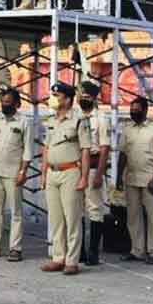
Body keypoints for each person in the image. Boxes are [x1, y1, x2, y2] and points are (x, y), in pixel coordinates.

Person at [40, 82, 90, 275]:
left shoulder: (78, 121)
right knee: (56, 218)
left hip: (71, 172)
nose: (54, 98)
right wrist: (44, 173)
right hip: (53, 172)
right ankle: (58, 257)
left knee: (72, 217)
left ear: (68, 100)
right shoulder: (51, 120)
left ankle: (72, 260)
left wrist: (84, 177)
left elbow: (85, 150)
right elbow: (46, 148)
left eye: (57, 95)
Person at [0, 89, 33, 262]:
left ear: (17, 104)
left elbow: (28, 151)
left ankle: (15, 249)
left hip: (13, 174)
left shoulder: (24, 122)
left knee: (16, 212)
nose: (5, 104)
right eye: (3, 101)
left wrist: (22, 172)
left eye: (9, 101)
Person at [116, 96, 153, 264]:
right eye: (132, 110)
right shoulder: (127, 130)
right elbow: (122, 155)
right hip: (131, 178)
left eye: (137, 109)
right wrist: (118, 177)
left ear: (145, 110)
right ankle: (137, 250)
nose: (133, 112)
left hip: (148, 179)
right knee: (133, 216)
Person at [77, 80, 110, 265]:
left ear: (94, 99)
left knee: (95, 210)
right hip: (77, 168)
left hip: (93, 167)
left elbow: (105, 148)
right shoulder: (76, 117)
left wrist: (99, 173)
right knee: (78, 211)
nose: (84, 99)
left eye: (87, 97)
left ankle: (93, 252)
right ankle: (80, 251)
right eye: (81, 96)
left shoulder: (101, 119)